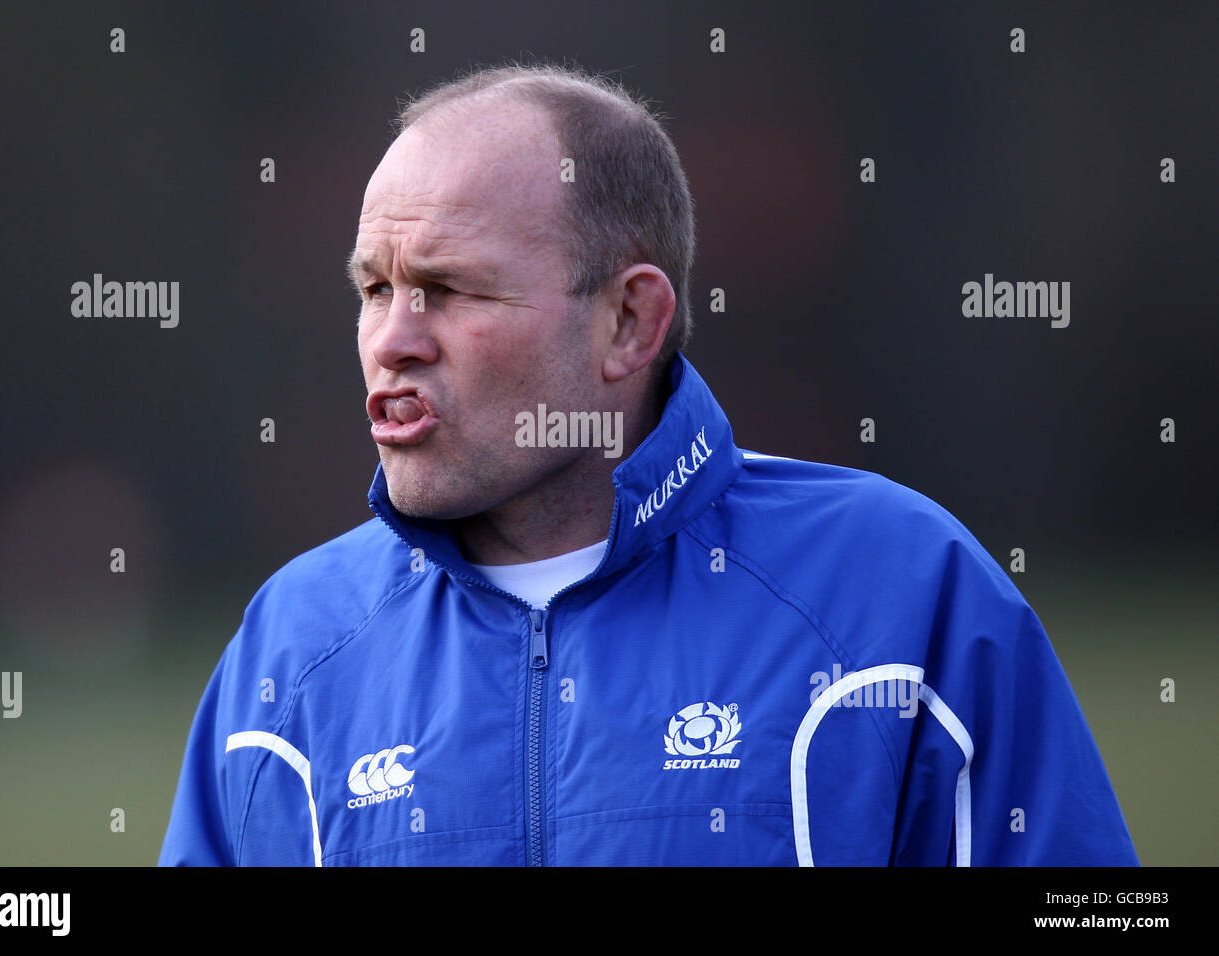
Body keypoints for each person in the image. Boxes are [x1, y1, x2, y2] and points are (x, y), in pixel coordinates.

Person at [159, 63, 1138, 866]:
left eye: (447, 289)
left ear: (628, 322)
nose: (391, 340)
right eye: (374, 288)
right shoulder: (289, 652)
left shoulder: (899, 590)